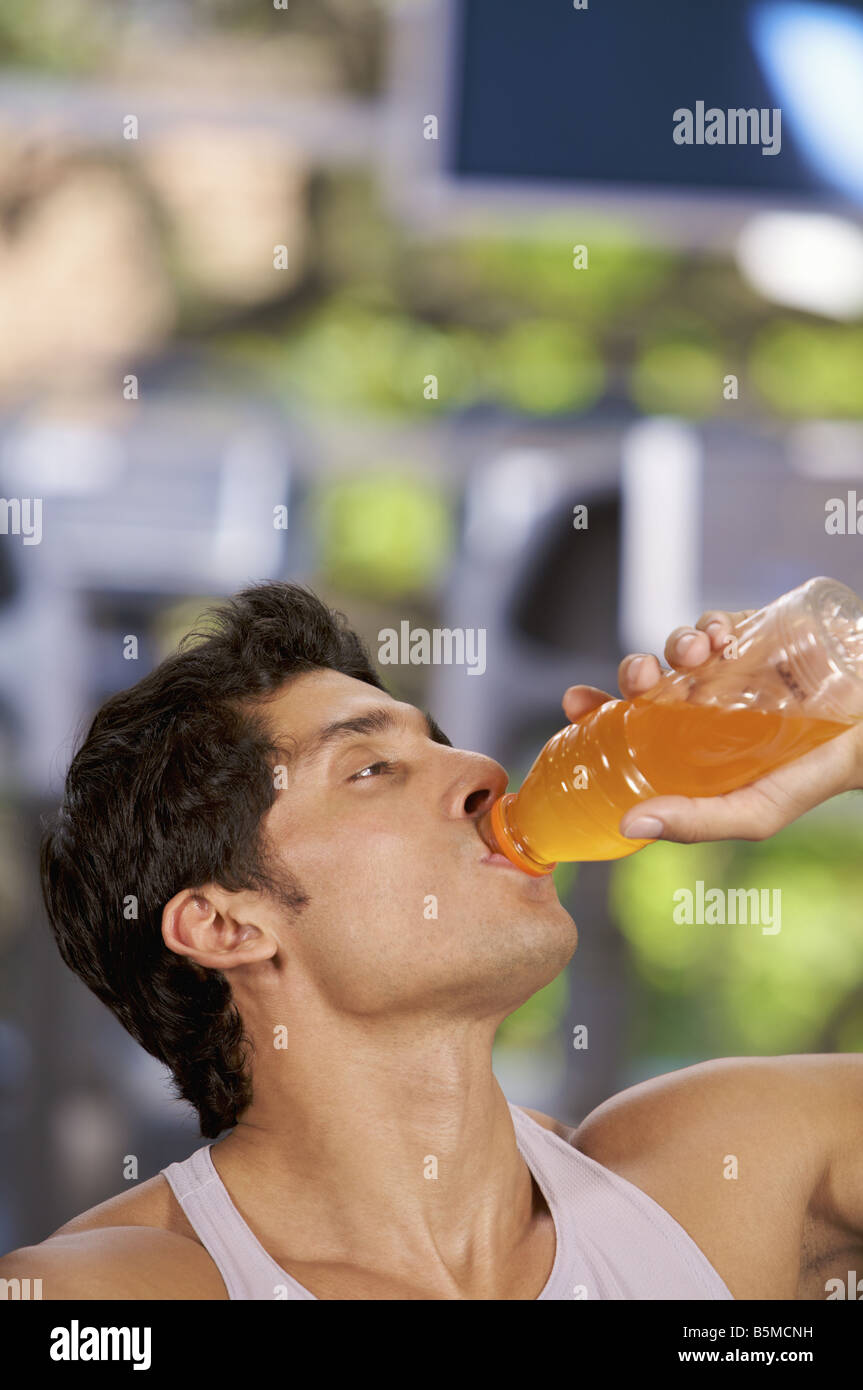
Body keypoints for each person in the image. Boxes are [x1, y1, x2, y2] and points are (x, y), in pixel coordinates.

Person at [1, 584, 861, 1300]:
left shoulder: (719, 1169)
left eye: (440, 742)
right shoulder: (112, 1295)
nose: (486, 770)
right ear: (226, 925)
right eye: (371, 769)